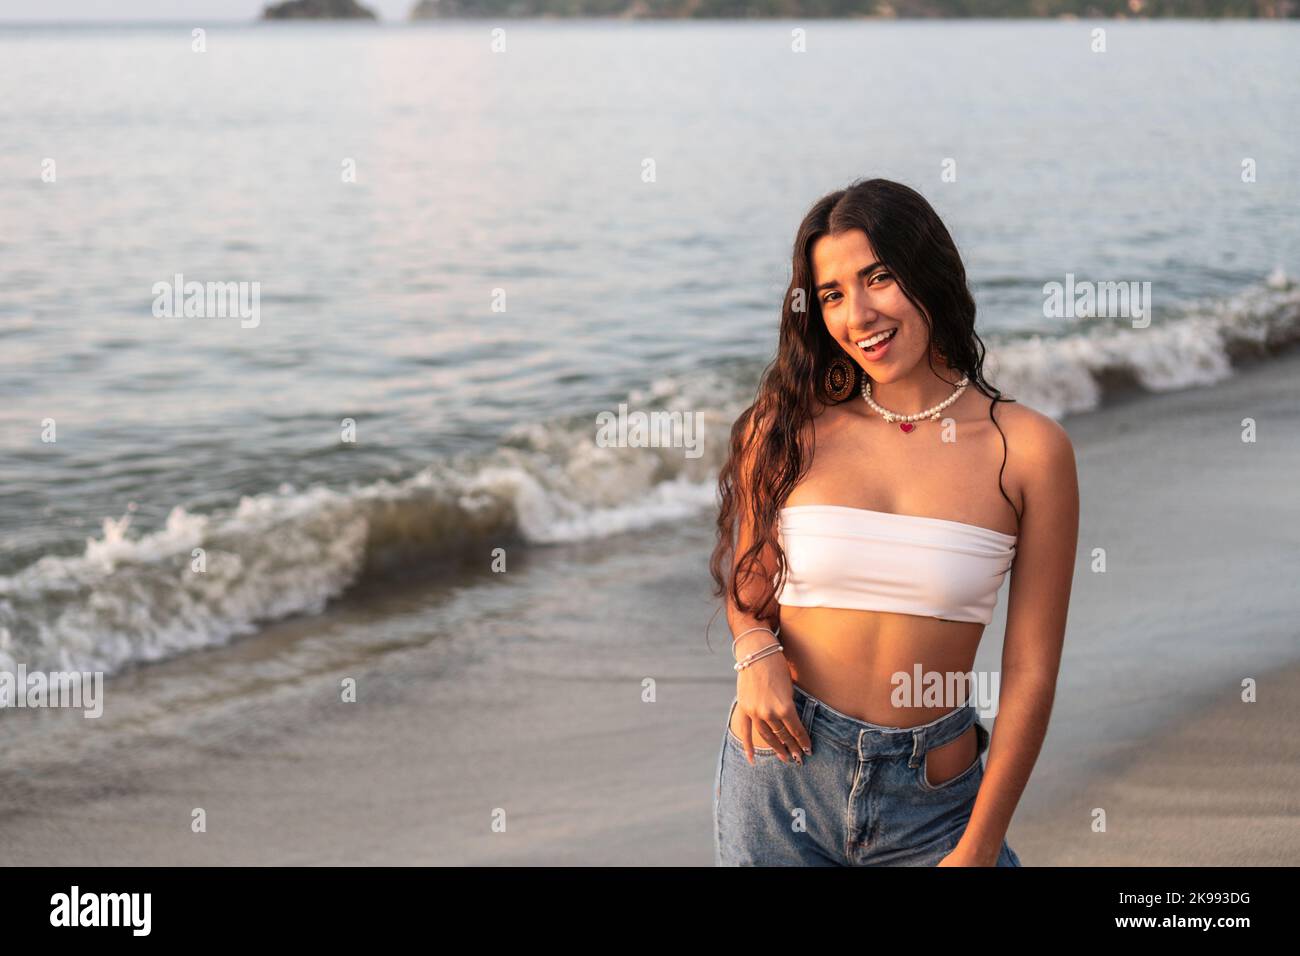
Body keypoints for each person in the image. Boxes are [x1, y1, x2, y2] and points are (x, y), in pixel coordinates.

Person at [709, 178, 1079, 866]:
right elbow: (751, 590)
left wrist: (980, 846)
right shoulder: (786, 428)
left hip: (934, 802)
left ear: (927, 270)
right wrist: (753, 653)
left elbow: (1030, 672)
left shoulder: (1028, 450)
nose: (860, 314)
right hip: (777, 776)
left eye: (879, 277)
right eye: (832, 295)